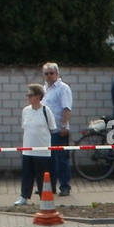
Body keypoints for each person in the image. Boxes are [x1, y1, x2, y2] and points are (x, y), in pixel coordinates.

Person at [15, 83, 54, 207]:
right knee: (27, 175)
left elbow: (52, 128)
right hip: (28, 149)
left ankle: (45, 198)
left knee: (42, 176)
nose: (28, 98)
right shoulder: (25, 111)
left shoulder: (46, 110)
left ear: (38, 96)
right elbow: (24, 127)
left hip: (42, 150)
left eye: (30, 95)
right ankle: (24, 196)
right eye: (28, 95)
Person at [41, 62, 73, 197]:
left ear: (57, 74)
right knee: (49, 160)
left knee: (61, 160)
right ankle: (51, 186)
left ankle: (65, 186)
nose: (49, 76)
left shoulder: (62, 88)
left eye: (51, 73)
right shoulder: (45, 88)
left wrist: (64, 126)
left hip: (59, 129)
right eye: (46, 74)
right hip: (47, 130)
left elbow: (66, 108)